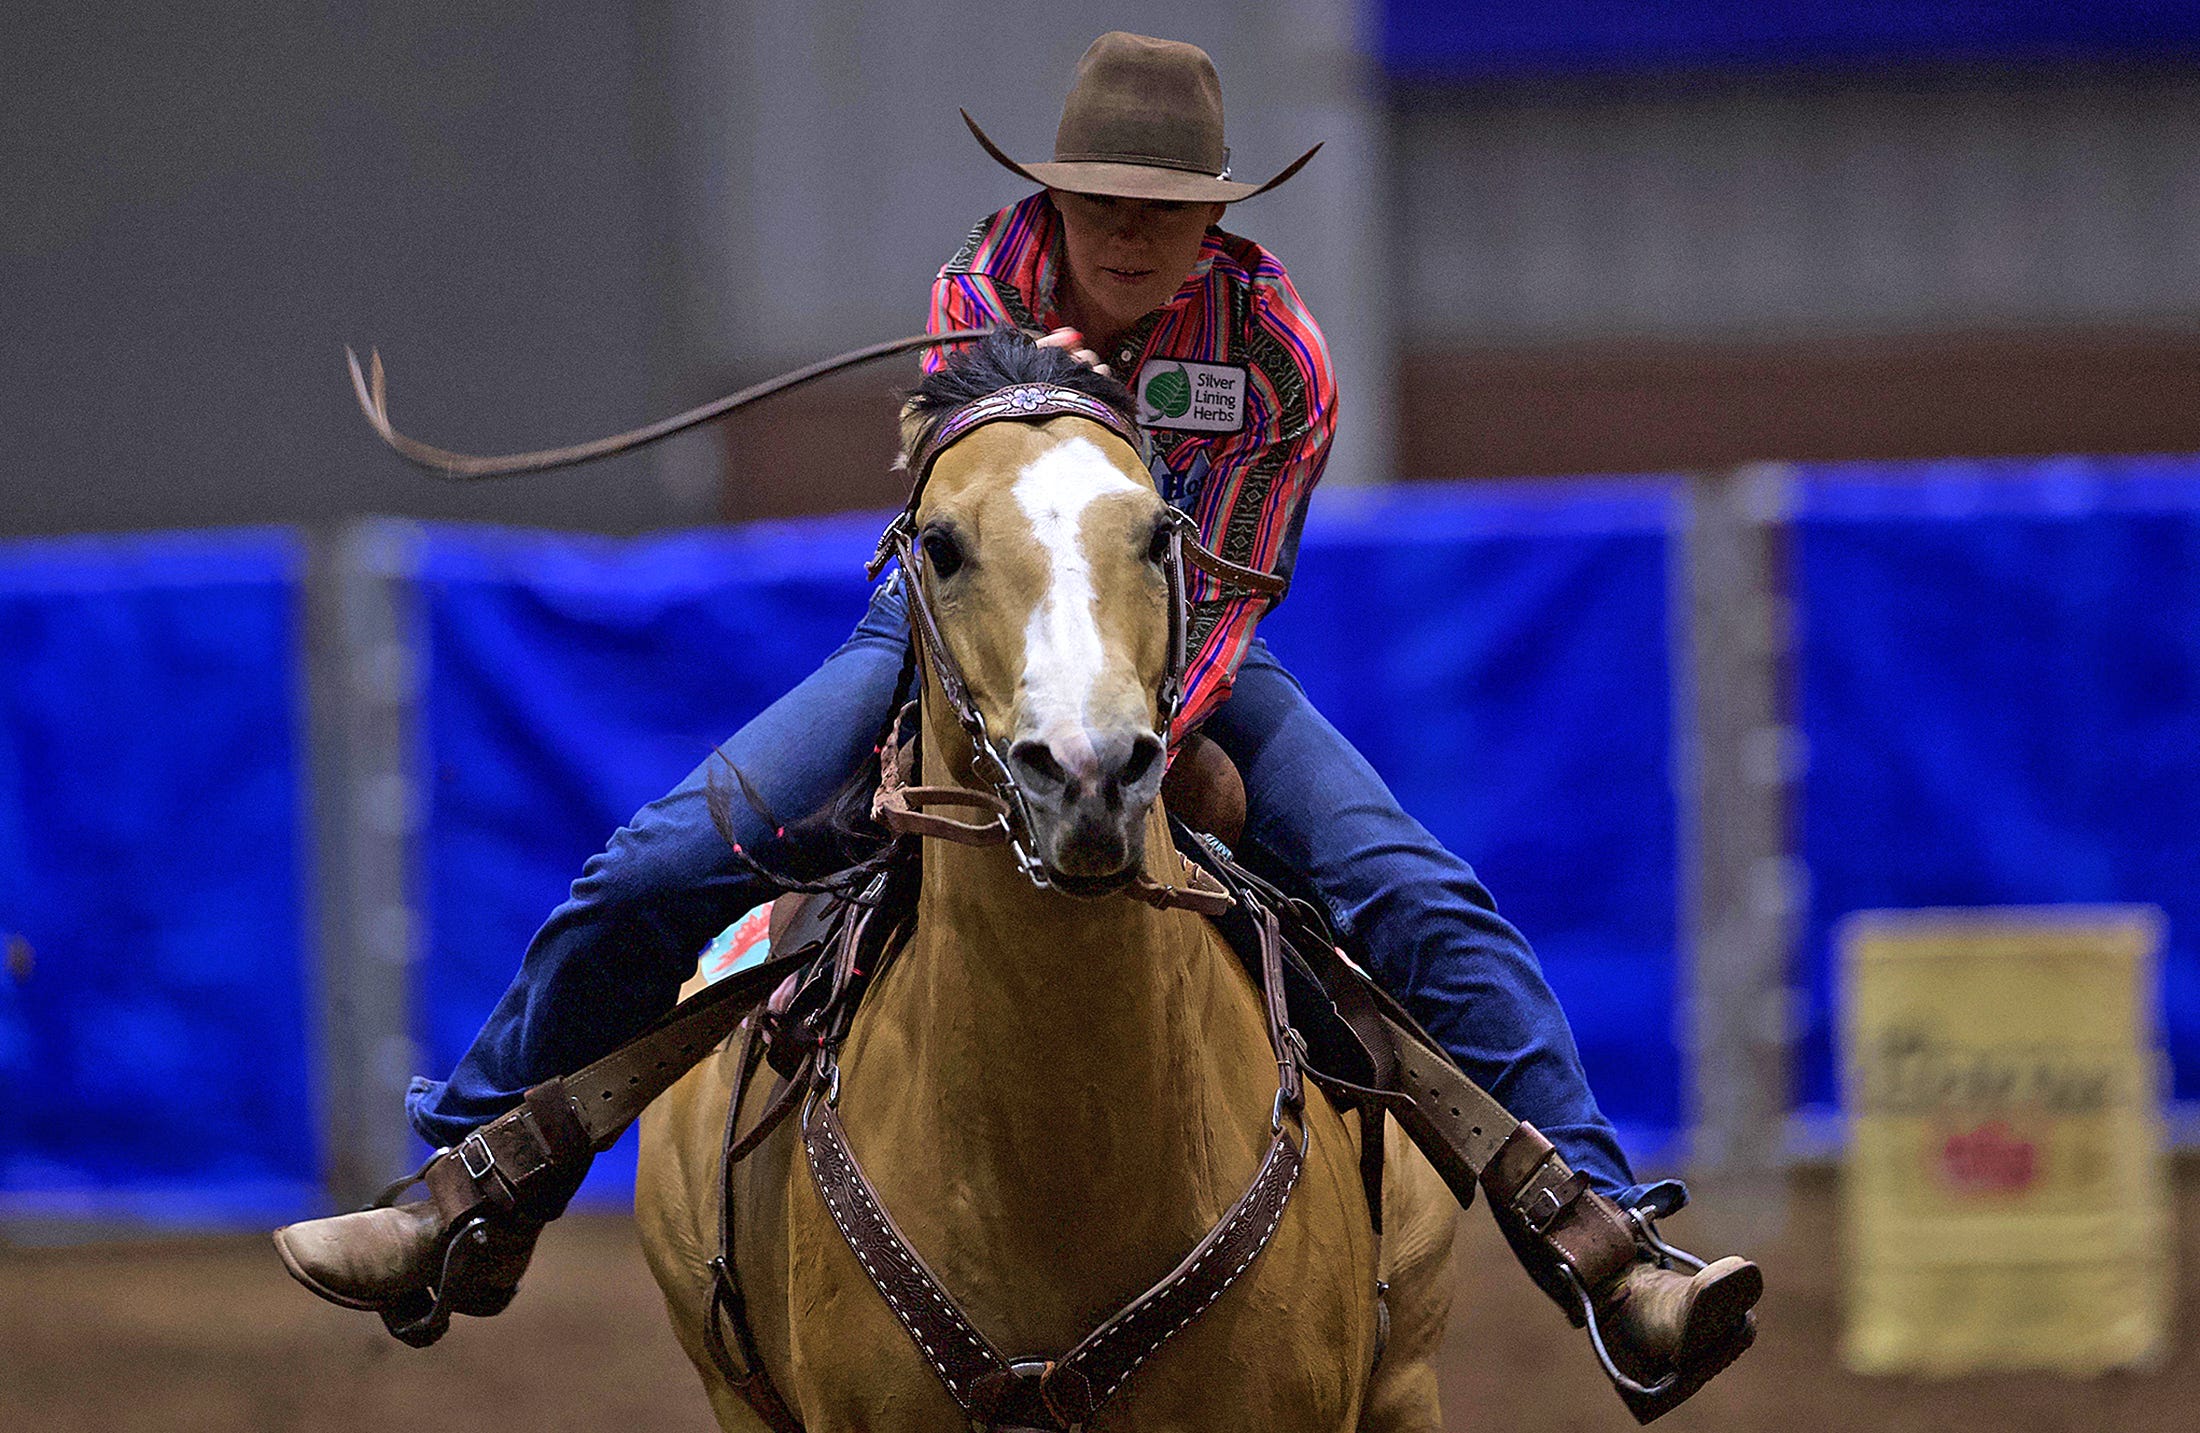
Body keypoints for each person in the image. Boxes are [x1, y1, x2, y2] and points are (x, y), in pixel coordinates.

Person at [277, 30, 1754, 1399]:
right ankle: (467, 1193)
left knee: (1417, 894)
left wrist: (1149, 738)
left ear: (1215, 219)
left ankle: (1616, 1255)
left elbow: (1232, 588)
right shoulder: (979, 287)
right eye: (1103, 198)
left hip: (1179, 665)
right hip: (957, 640)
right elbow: (954, 533)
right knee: (663, 865)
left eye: (1163, 207)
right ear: (1059, 193)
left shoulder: (1283, 361)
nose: (1127, 231)